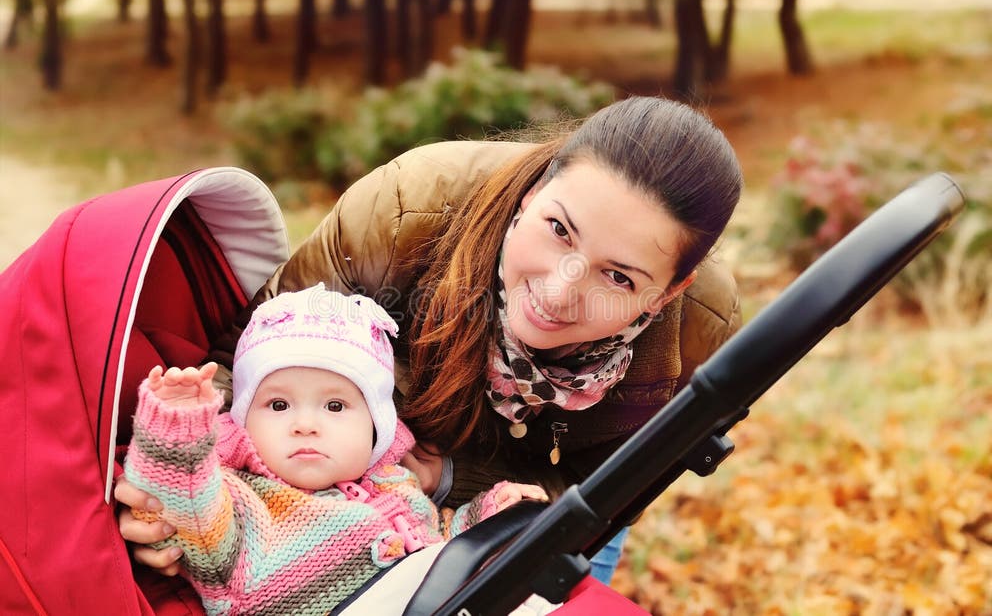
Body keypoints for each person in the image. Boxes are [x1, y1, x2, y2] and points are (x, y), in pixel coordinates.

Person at [116, 95, 744, 586]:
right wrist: (175, 492)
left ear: (666, 292)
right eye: (558, 229)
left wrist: (453, 477)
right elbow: (245, 363)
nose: (557, 292)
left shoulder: (698, 333)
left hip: (515, 503)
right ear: (532, 194)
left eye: (617, 276)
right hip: (359, 478)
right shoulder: (407, 210)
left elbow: (606, 491)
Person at [123, 285, 546, 615]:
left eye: (335, 406)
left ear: (375, 427)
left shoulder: (396, 485)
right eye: (278, 405)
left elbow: (442, 542)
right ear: (242, 422)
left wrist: (487, 516)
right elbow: (184, 508)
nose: (305, 424)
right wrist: (176, 431)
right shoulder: (239, 504)